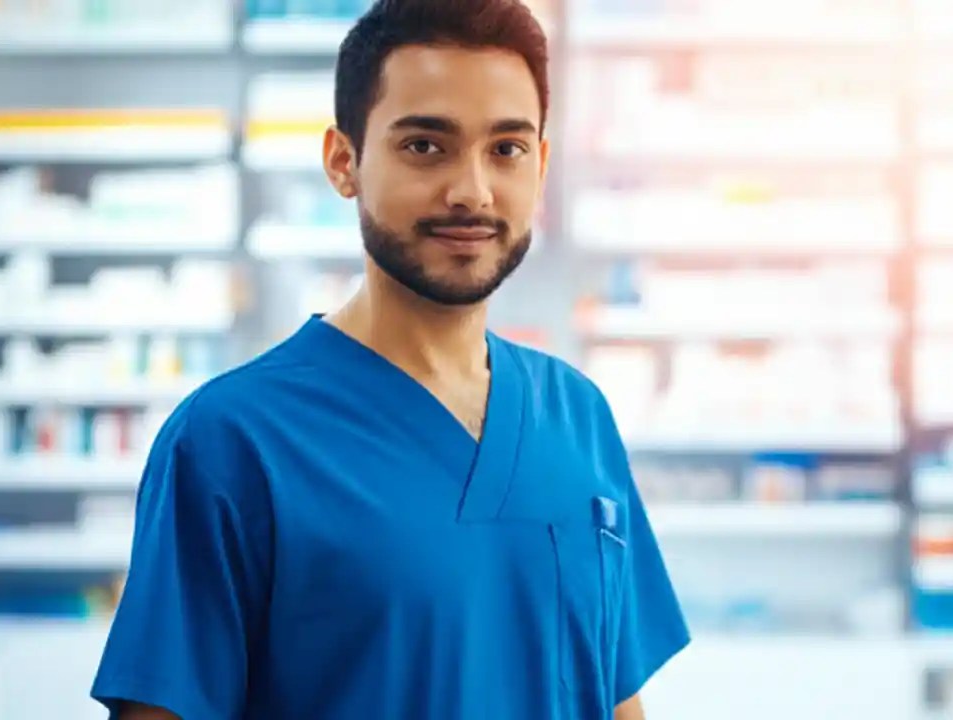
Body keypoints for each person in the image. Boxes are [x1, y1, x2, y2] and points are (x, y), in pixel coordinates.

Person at [89, 0, 690, 718]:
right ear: (344, 163)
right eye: (425, 146)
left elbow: (618, 699)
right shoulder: (231, 443)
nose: (471, 190)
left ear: (541, 164)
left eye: (506, 148)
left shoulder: (577, 414)